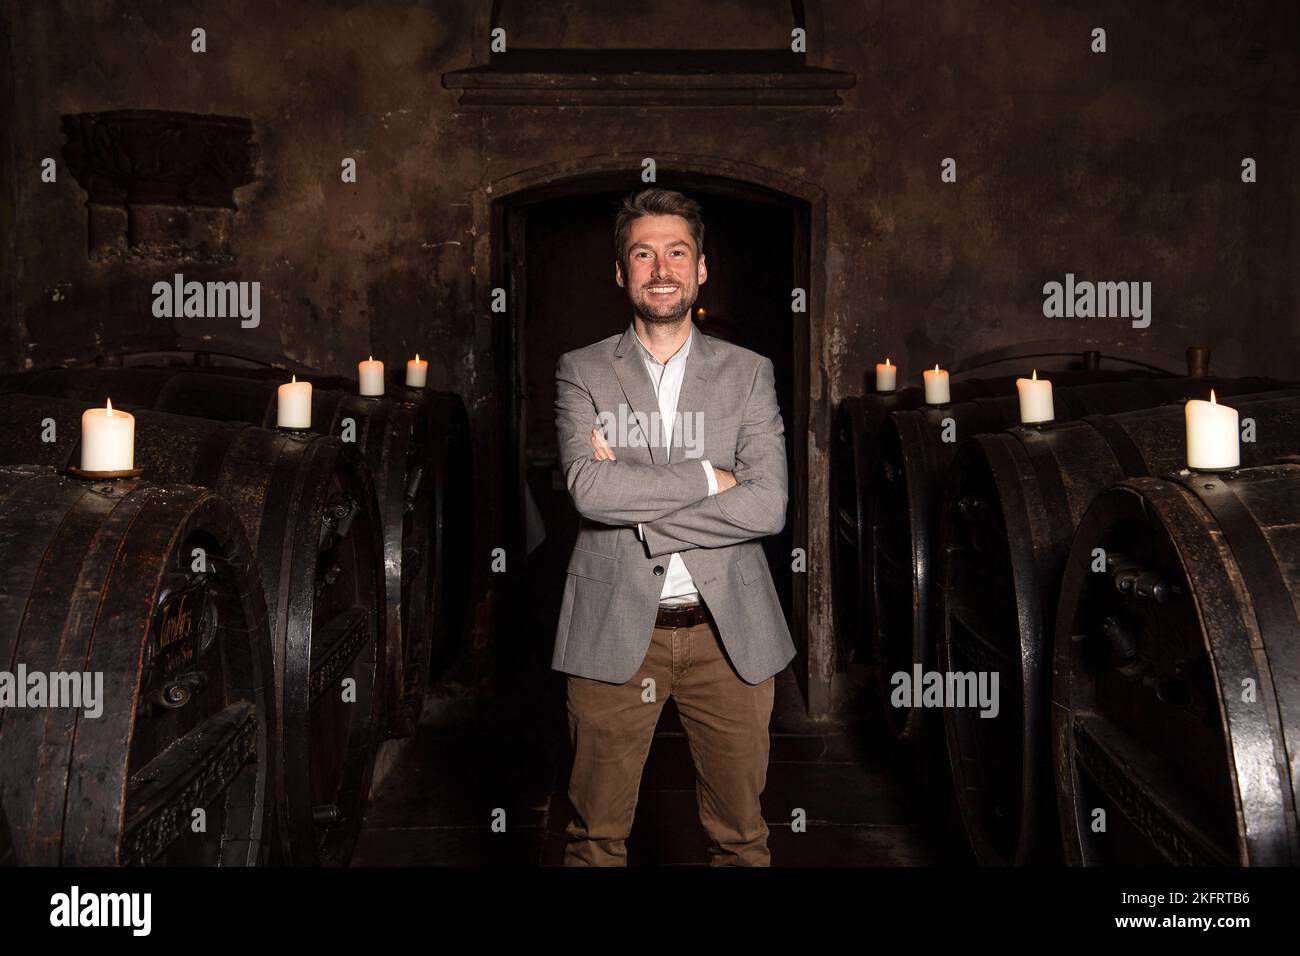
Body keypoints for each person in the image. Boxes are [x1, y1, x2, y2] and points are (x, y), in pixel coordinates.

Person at [551, 186, 795, 865]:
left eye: (677, 252)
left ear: (701, 267)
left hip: (729, 637)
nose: (662, 269)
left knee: (742, 840)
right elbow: (589, 491)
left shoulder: (749, 374)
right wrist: (707, 477)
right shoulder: (583, 371)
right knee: (594, 840)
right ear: (622, 272)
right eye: (644, 254)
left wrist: (644, 515)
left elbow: (769, 505)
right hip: (612, 630)